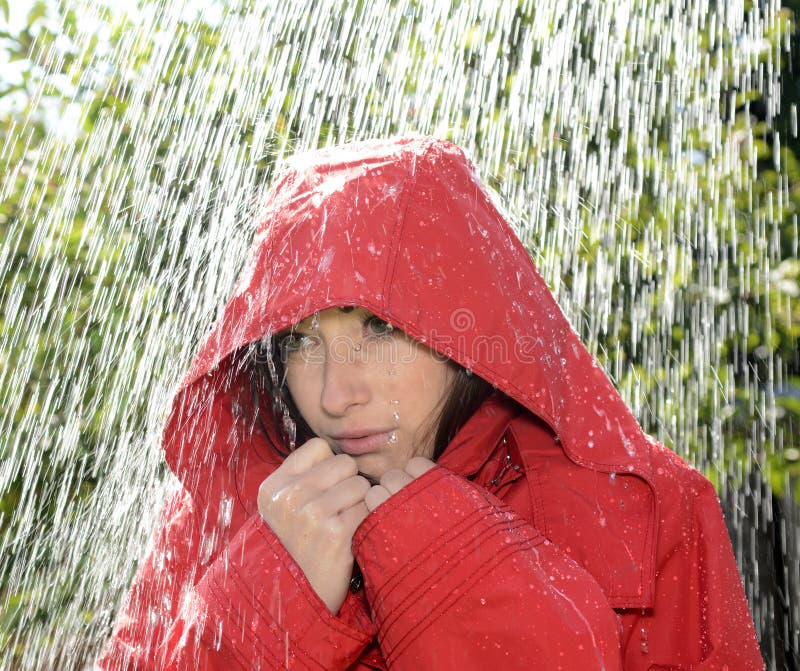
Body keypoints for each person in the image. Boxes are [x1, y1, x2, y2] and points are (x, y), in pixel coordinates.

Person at [98, 136, 765, 670]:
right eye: (301, 339)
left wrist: (447, 581)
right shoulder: (220, 514)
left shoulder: (645, 506)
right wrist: (263, 609)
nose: (334, 394)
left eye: (380, 328)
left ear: (467, 328)